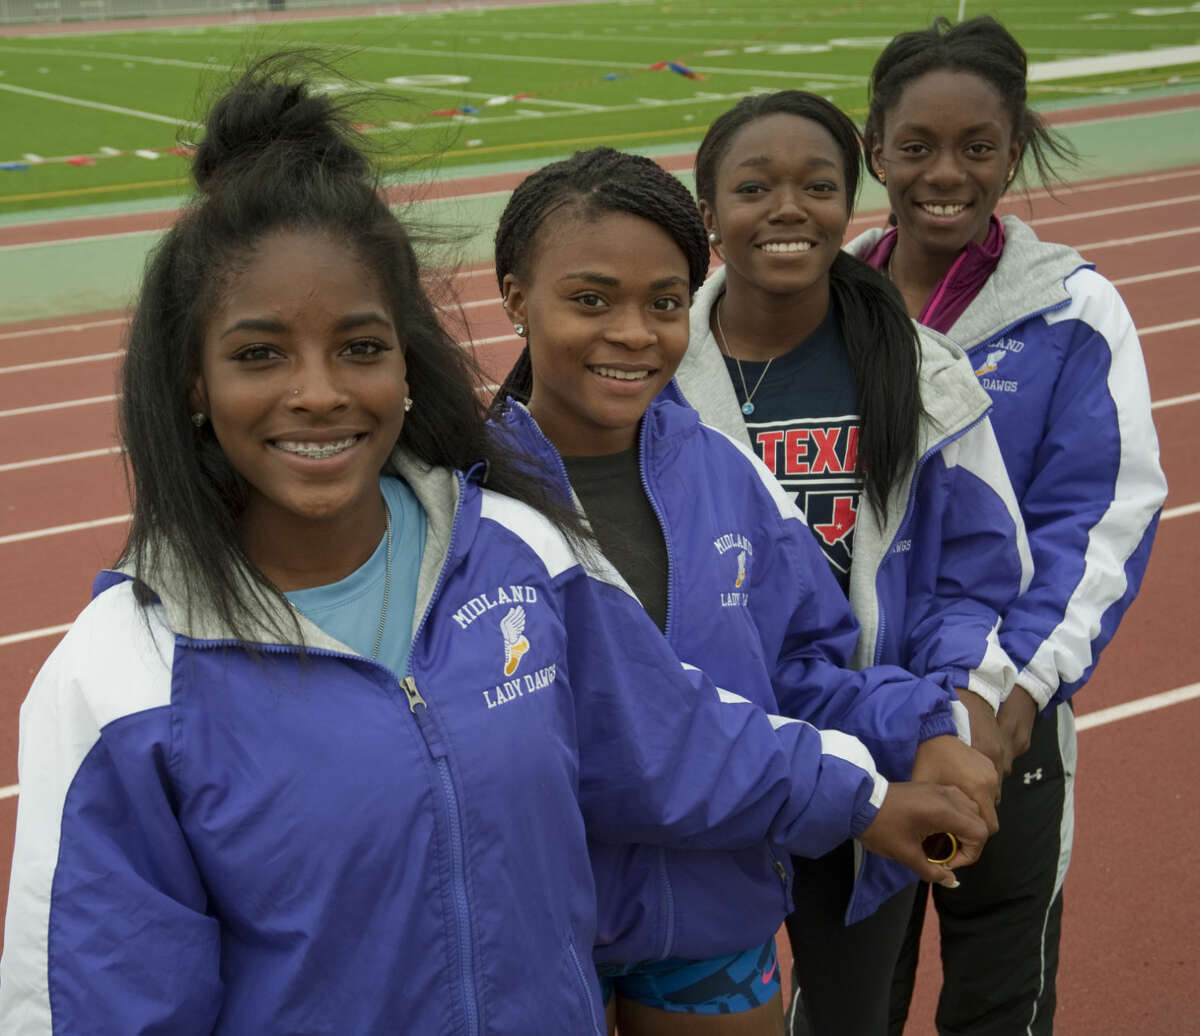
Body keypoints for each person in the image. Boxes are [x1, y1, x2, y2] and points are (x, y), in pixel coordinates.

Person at [0, 62, 992, 1035]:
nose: (318, 391)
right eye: (260, 353)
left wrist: (866, 791)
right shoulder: (124, 673)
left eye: (359, 346)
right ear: (191, 382)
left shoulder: (520, 551)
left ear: (405, 362)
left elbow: (670, 733)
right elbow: (99, 996)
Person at [488, 146, 1003, 1036]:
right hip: (528, 931)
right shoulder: (460, 499)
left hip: (708, 918)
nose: (634, 332)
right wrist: (864, 800)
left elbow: (796, 669)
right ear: (513, 299)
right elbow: (624, 741)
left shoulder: (726, 473)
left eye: (663, 302)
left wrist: (926, 730)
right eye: (589, 299)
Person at [672, 91, 1034, 1035]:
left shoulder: (920, 371)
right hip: (712, 757)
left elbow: (977, 571)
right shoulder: (654, 377)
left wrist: (945, 707)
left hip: (874, 751)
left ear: (850, 201)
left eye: (818, 185)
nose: (788, 208)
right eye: (755, 187)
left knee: (849, 1013)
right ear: (708, 212)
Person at [847, 16, 1168, 1034]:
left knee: (1001, 1000)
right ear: (875, 150)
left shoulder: (1074, 312)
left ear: (1012, 151)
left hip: (1007, 729)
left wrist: (1011, 690)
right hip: (857, 719)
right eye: (917, 146)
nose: (946, 173)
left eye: (977, 147)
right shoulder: (821, 302)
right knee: (844, 999)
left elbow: (1101, 517)